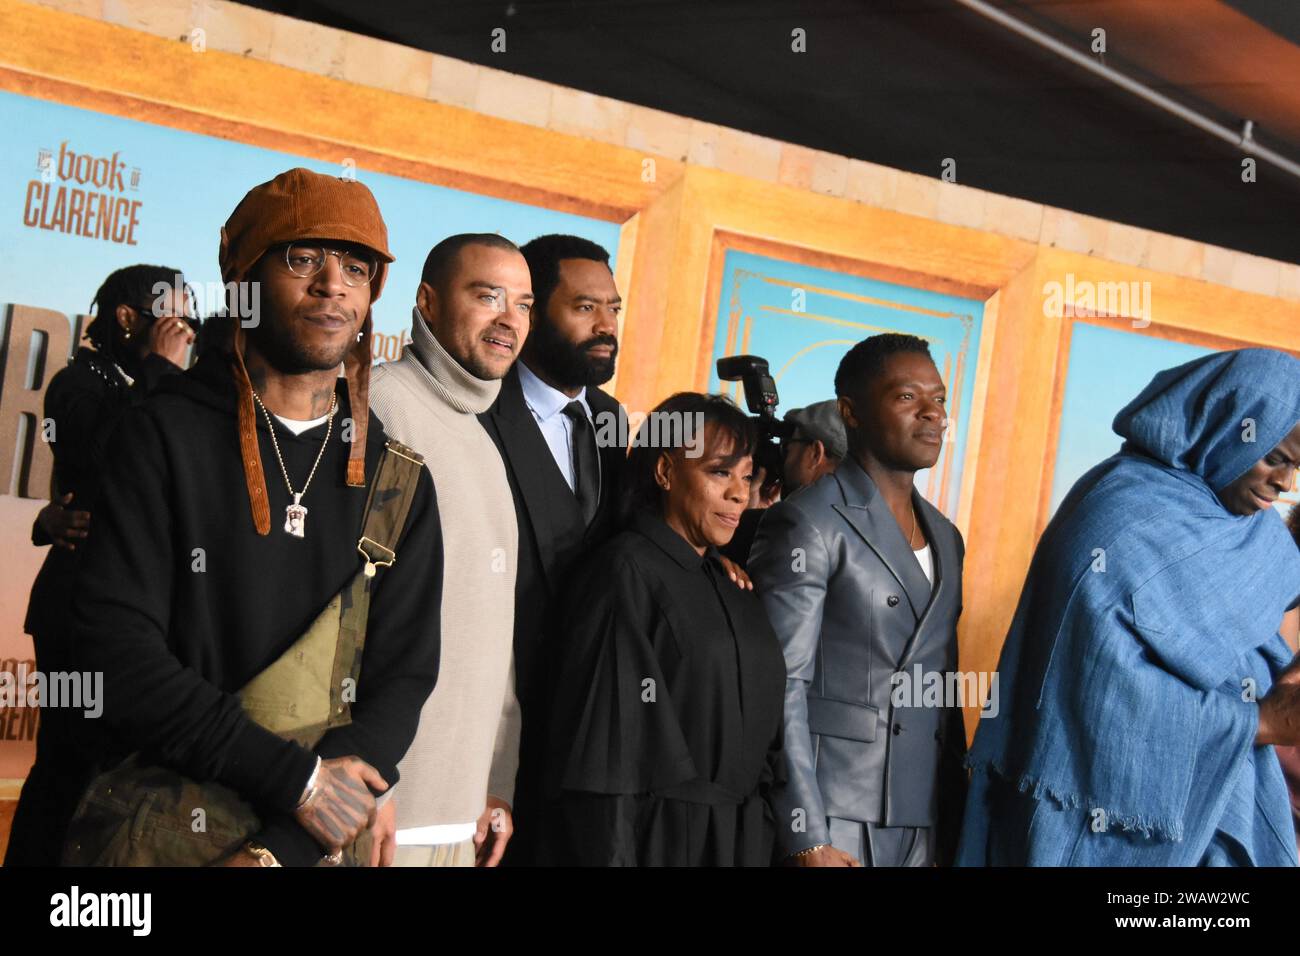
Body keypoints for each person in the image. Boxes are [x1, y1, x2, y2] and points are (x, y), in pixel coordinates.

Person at [65, 167, 443, 867]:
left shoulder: (398, 480)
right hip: (159, 835)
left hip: (310, 851)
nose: (333, 284)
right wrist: (295, 782)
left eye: (356, 268)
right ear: (242, 277)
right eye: (303, 259)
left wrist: (278, 851)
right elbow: (119, 654)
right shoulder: (162, 436)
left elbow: (403, 683)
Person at [958, 348, 1300, 866]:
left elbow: (1258, 658)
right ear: (1226, 425)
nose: (1286, 483)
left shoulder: (1262, 540)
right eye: (1276, 457)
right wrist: (1256, 725)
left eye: (1298, 466)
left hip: (1218, 809)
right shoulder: (1117, 515)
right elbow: (1093, 695)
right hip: (1089, 822)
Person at [749, 333, 968, 867]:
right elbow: (779, 683)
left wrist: (957, 824)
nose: (933, 414)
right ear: (852, 412)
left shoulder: (947, 536)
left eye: (938, 398)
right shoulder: (809, 520)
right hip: (832, 817)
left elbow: (944, 693)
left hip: (921, 821)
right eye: (906, 398)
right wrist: (806, 834)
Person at [4, 265, 196, 867]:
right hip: (73, 608)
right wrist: (161, 371)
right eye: (171, 313)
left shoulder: (165, 388)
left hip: (138, 611)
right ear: (126, 317)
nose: (182, 326)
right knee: (68, 762)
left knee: (116, 769)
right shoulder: (77, 382)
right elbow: (105, 462)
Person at [543, 392, 786, 865]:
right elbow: (604, 771)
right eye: (719, 472)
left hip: (741, 844)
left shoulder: (732, 583)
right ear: (665, 472)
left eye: (746, 475)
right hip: (659, 845)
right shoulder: (623, 573)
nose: (740, 493)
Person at [369, 233, 530, 867]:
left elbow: (496, 636)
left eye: (521, 303)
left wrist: (498, 783)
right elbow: (357, 607)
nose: (508, 319)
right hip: (383, 817)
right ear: (427, 302)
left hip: (461, 822)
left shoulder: (484, 442)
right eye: (486, 295)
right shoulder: (385, 408)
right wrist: (367, 777)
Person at [478, 234, 629, 863]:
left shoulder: (614, 421)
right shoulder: (480, 411)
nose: (605, 326)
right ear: (533, 310)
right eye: (585, 307)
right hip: (488, 728)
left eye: (613, 309)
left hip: (582, 741)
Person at [720, 398, 847, 568]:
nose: (783, 456)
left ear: (816, 454)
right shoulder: (874, 528)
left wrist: (748, 518)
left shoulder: (783, 524)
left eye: (788, 446)